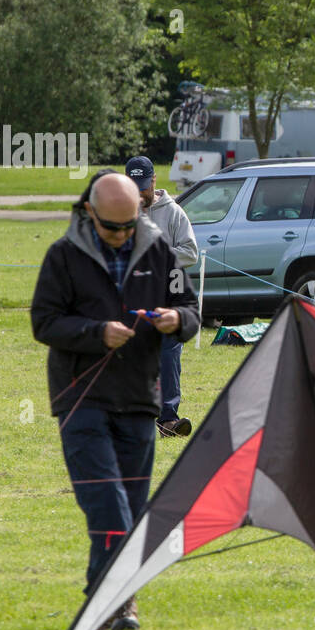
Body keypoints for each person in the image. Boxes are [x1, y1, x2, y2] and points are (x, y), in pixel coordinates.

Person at [31, 171, 200, 630]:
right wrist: (95, 333)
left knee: (130, 502)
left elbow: (191, 311)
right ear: (90, 213)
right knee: (108, 503)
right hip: (80, 396)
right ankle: (117, 600)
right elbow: (43, 323)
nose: (124, 236)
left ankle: (110, 601)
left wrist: (175, 320)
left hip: (141, 398)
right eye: (114, 228)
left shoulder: (160, 250)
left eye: (131, 225)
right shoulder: (63, 257)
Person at [125, 156, 199, 438]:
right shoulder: (120, 212)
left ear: (154, 181)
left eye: (143, 186)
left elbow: (190, 252)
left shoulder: (174, 213)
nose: (140, 193)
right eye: (134, 187)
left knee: (169, 357)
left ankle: (168, 419)